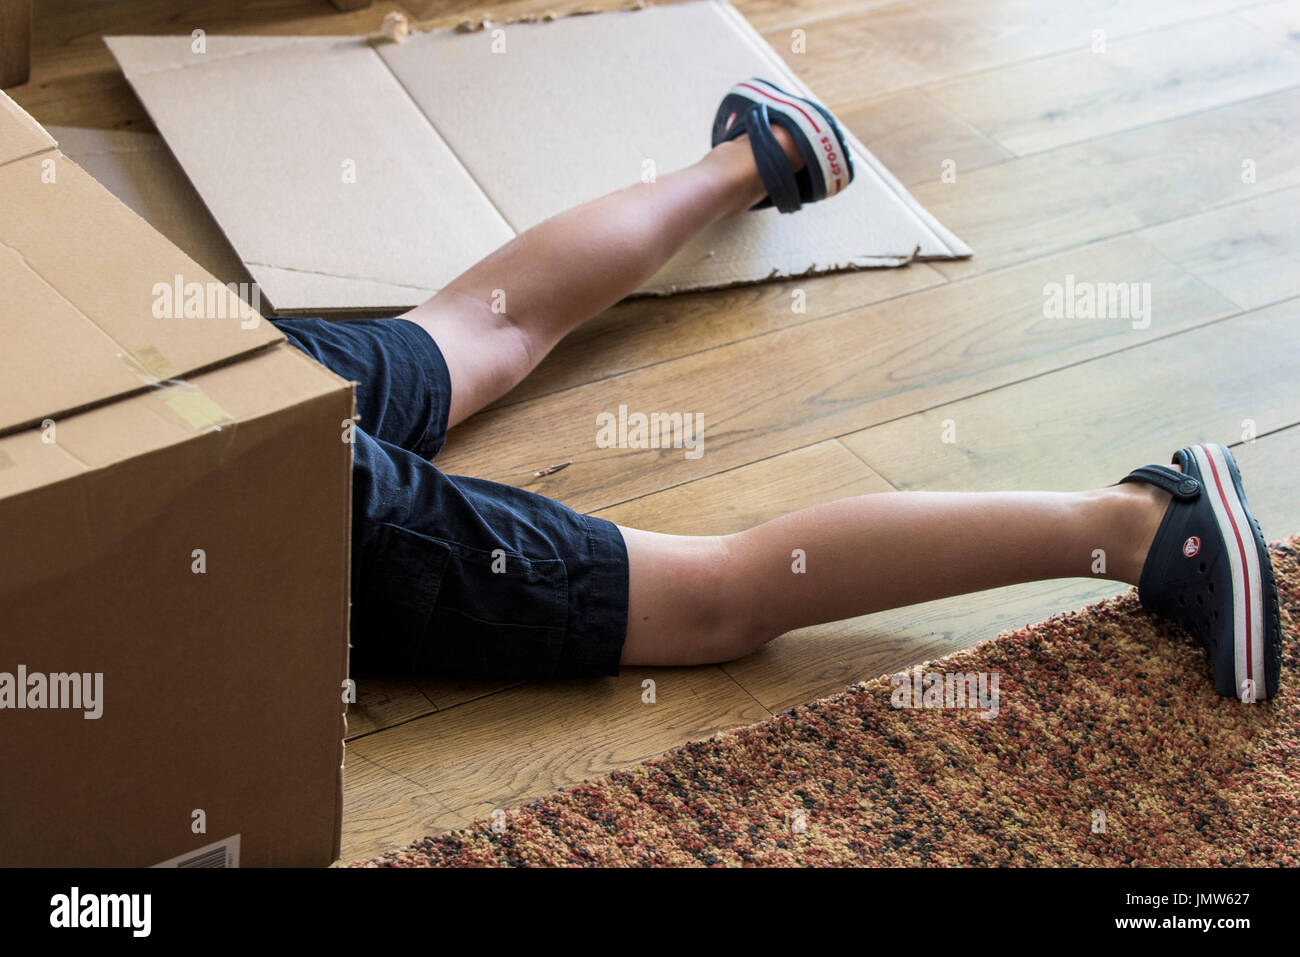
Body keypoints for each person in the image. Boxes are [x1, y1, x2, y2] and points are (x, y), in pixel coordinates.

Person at [271, 79, 1281, 703]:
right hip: (189, 387)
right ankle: (763, 150)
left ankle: (1146, 522)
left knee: (713, 601)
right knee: (473, 330)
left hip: (236, 502)